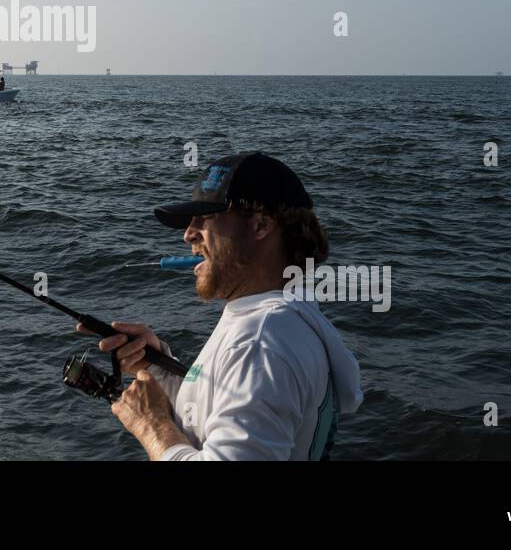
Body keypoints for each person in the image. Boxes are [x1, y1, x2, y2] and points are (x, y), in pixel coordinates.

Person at [76, 151, 362, 460]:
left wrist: (151, 426)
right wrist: (159, 367)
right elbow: (221, 410)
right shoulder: (284, 318)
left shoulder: (260, 344)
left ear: (261, 225)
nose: (188, 234)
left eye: (207, 217)